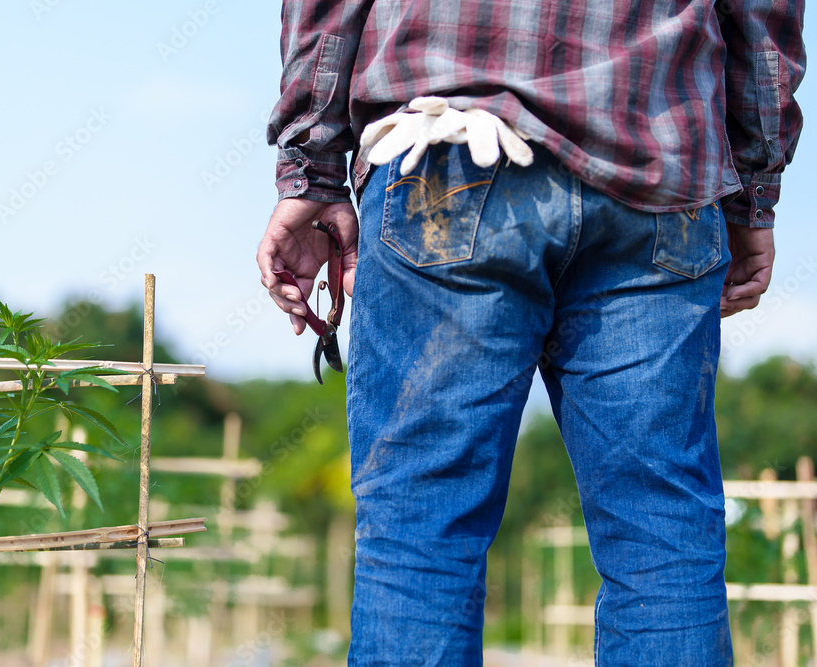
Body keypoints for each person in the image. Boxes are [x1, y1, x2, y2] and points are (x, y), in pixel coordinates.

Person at [256, 0, 805, 664]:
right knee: (662, 533)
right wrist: (753, 194)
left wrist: (311, 170)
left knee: (421, 528)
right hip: (659, 168)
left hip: (449, 147)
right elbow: (766, 14)